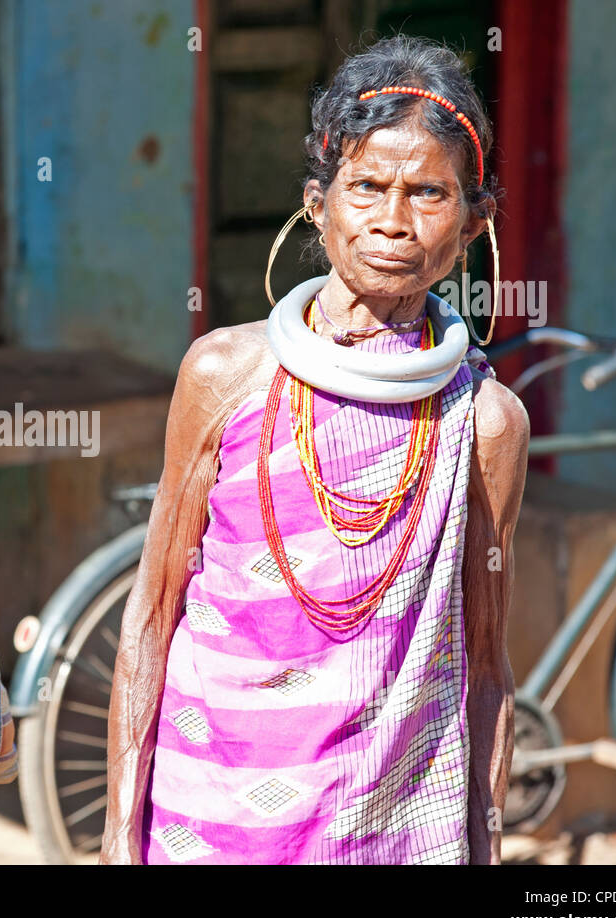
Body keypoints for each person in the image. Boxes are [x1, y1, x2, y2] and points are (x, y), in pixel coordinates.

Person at [101, 35, 530, 864]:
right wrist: (121, 833)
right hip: (210, 809)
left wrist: (485, 836)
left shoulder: (485, 423)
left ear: (474, 222)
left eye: (428, 193)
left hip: (392, 824)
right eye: (366, 185)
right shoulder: (224, 374)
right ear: (318, 202)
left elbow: (483, 659)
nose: (392, 221)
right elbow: (153, 612)